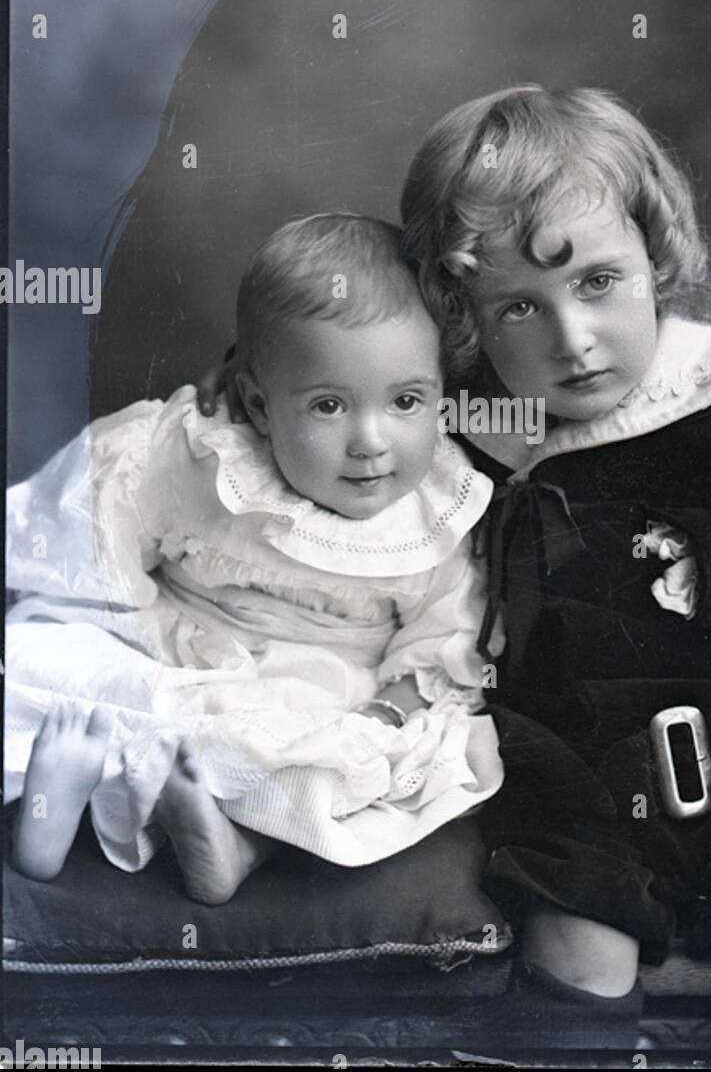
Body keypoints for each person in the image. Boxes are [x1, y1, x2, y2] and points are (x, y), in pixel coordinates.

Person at [397, 85, 711, 1052]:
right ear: (463, 315)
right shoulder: (474, 424)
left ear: (656, 257)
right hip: (576, 791)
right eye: (519, 306)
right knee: (575, 952)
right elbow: (335, 368)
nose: (572, 339)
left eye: (597, 282)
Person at [6, 214, 502, 905]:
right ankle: (57, 798)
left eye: (406, 402)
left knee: (367, 761)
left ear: (440, 395)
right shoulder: (202, 453)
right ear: (258, 405)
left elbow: (441, 643)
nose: (370, 442)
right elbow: (94, 540)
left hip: (323, 697)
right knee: (36, 657)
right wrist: (113, 639)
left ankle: (230, 844)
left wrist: (382, 718)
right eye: (328, 406)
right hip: (171, 659)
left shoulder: (441, 514)